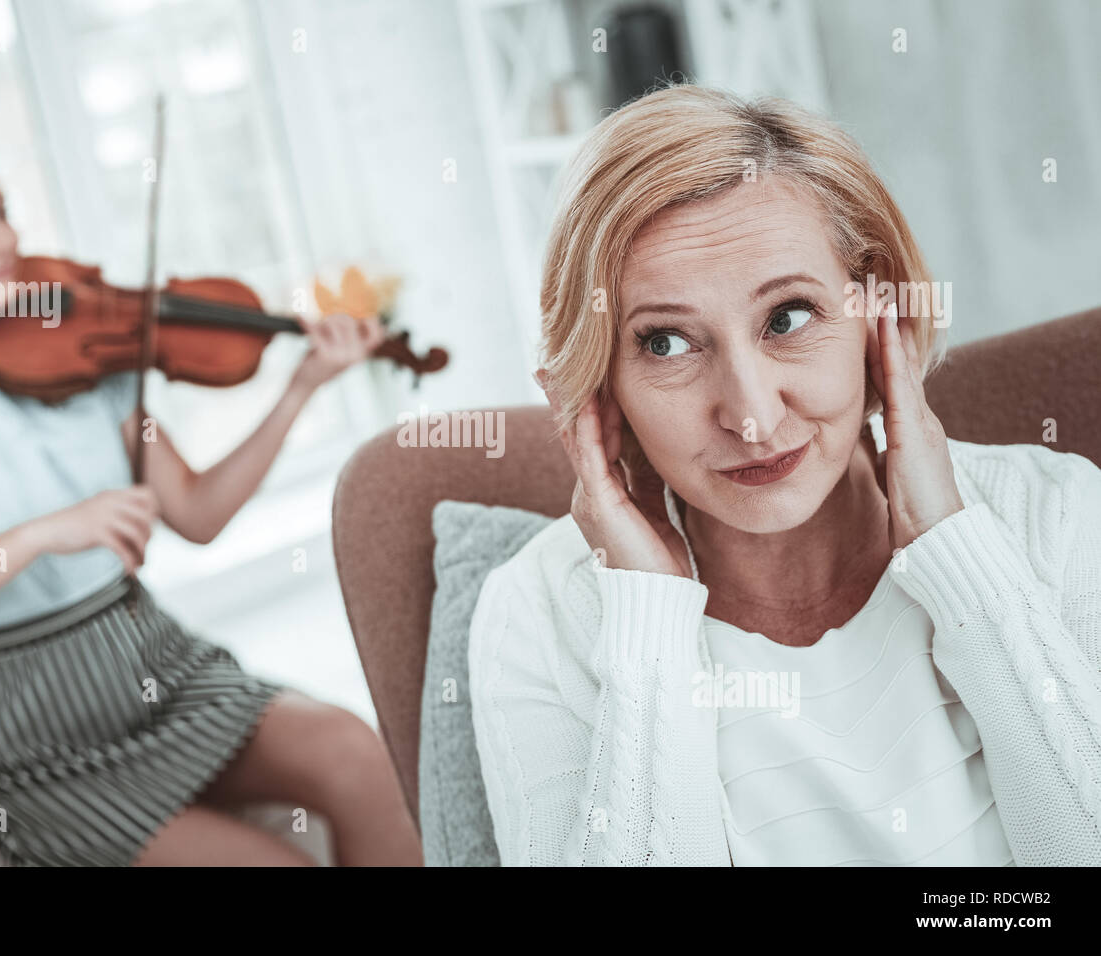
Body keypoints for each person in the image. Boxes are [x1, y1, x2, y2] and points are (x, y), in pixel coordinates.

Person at [467, 85, 1101, 866]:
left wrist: (958, 554)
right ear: (598, 388)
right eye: (666, 342)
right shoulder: (535, 613)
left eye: (788, 317)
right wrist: (649, 626)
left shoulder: (1057, 513)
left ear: (880, 313)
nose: (752, 418)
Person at [0, 127, 423, 867]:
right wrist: (37, 535)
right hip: (32, 736)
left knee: (358, 752)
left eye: (1, 212)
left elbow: (197, 514)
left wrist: (299, 390)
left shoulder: (73, 344)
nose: (3, 241)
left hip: (161, 665)